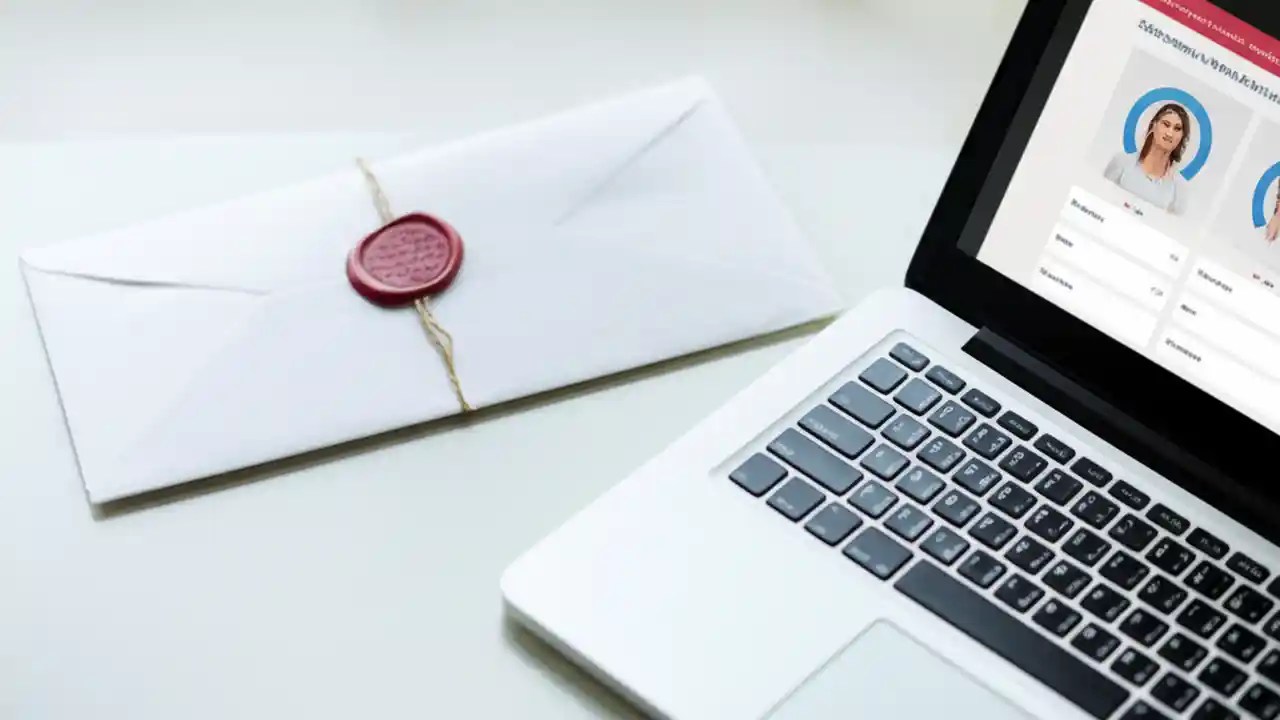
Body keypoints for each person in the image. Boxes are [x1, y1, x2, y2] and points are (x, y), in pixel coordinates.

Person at [1104, 102, 1193, 215]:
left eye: (1177, 128)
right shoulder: (1121, 162)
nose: (1169, 133)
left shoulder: (1179, 189)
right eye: (1166, 124)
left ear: (1182, 137)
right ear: (1154, 125)